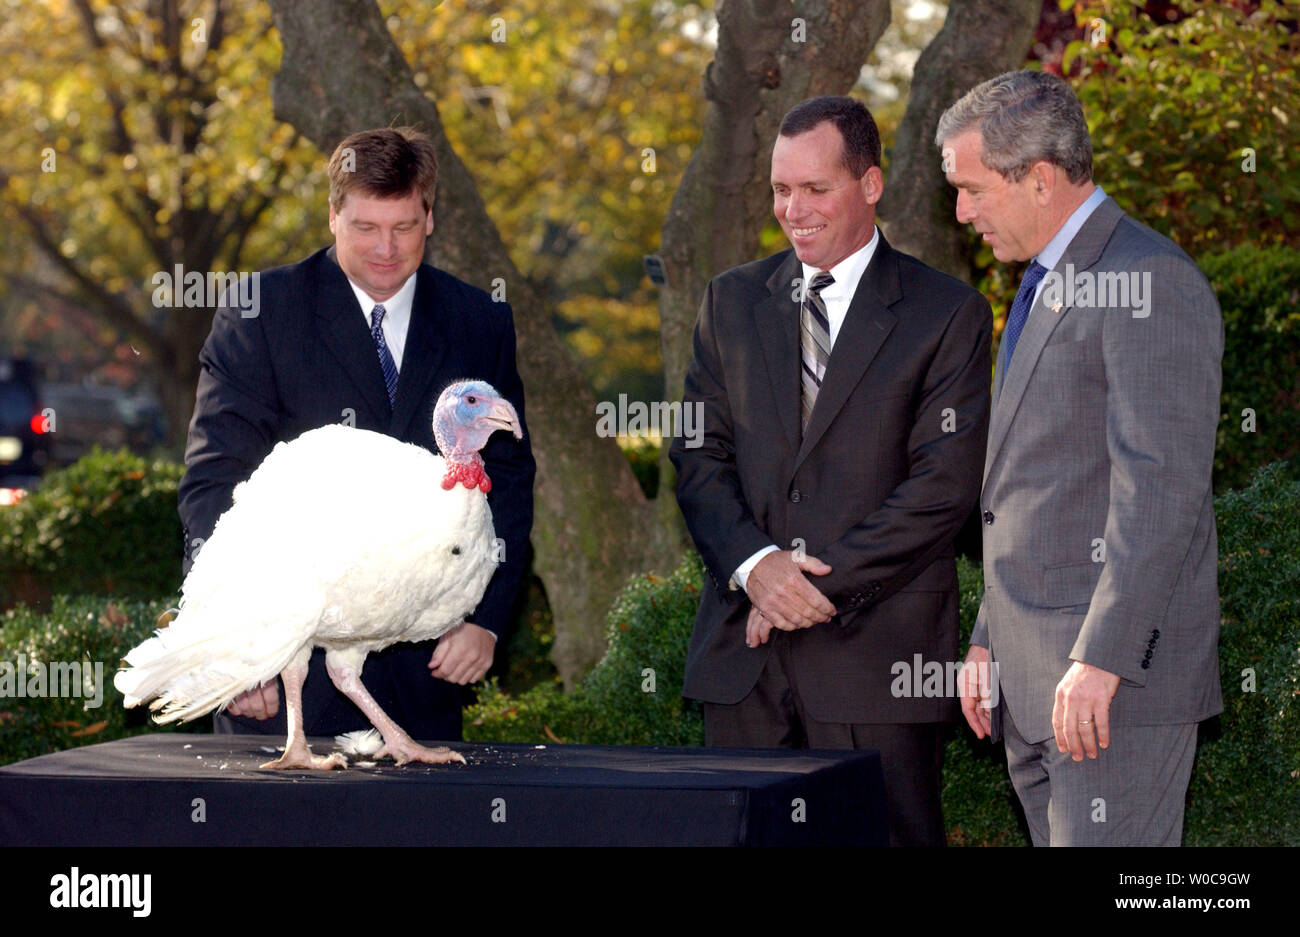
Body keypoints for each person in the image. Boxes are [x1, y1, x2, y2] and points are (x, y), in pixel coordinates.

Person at [669, 96, 992, 846]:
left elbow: (943, 486)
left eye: (816, 189)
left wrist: (806, 584)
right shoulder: (731, 300)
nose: (793, 208)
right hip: (742, 668)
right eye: (781, 189)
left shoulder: (947, 314)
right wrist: (756, 568)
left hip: (878, 666)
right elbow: (696, 455)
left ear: (871, 185)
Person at [938, 70, 1223, 846]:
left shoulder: (1149, 282)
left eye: (971, 189)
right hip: (1036, 687)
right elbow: (1032, 488)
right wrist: (990, 637)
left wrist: (1102, 660)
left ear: (1039, 178)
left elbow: (1160, 493)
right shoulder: (1043, 284)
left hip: (1112, 690)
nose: (961, 213)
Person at [178, 127, 535, 743]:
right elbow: (215, 486)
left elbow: (506, 479)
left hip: (423, 681)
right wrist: (237, 646)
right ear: (333, 214)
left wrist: (485, 617)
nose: (385, 249)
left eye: (403, 227)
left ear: (430, 216)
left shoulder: (480, 320)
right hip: (285, 682)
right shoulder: (259, 313)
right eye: (365, 227)